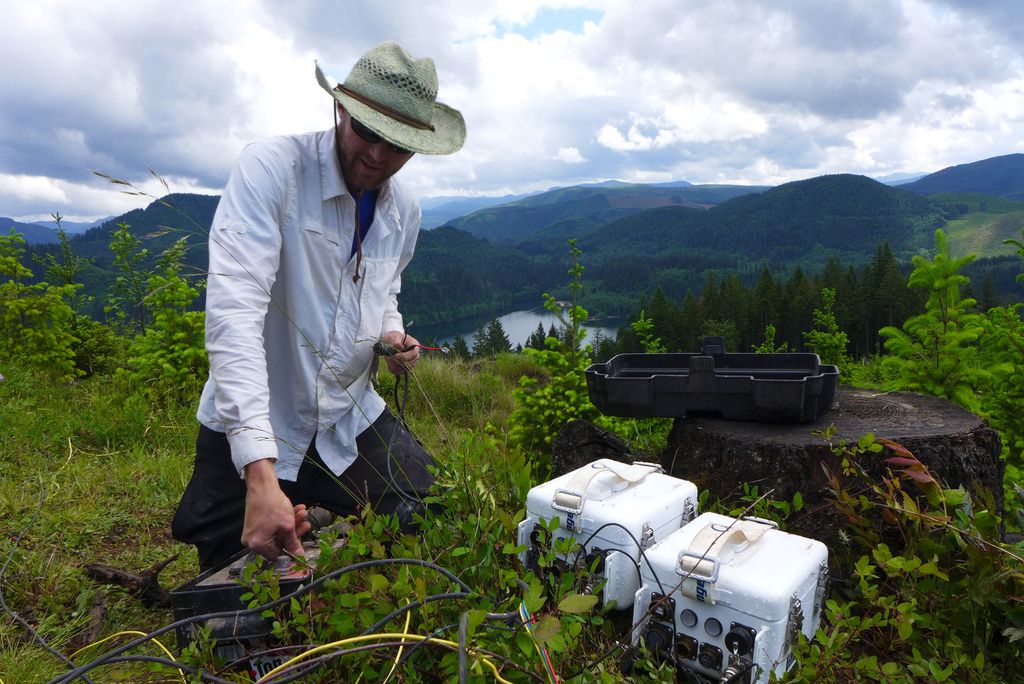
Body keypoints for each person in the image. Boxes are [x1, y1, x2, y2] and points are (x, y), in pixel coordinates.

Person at [171, 41, 466, 571]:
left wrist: (392, 335)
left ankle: (323, 516)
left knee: (434, 509)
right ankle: (297, 505)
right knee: (228, 584)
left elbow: (386, 289)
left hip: (346, 418)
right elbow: (233, 317)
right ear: (341, 109)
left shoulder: (405, 212)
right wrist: (260, 476)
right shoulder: (274, 170)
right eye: (367, 132)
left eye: (397, 145)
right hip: (259, 422)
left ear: (419, 144)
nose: (377, 155)